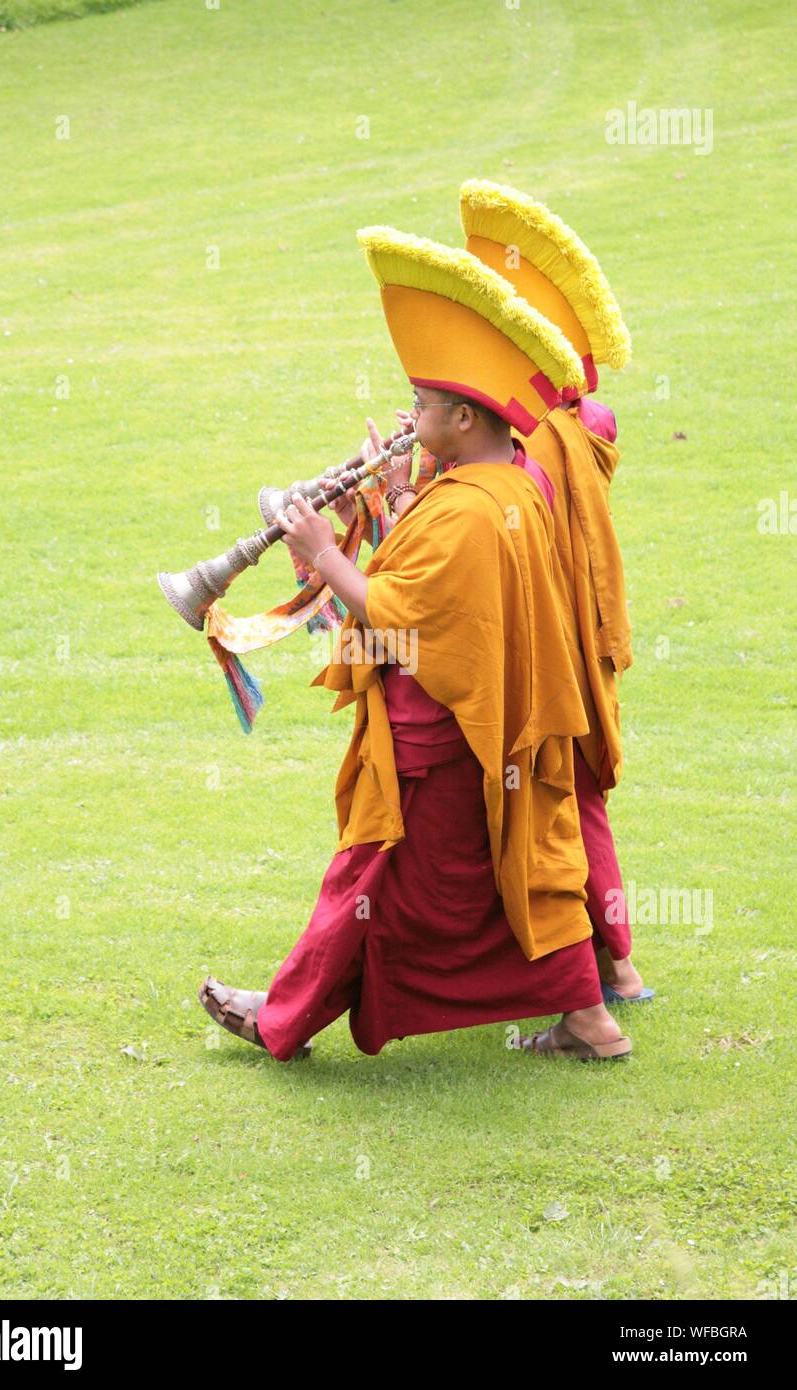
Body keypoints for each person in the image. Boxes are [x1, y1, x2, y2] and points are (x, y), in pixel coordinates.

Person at [199, 227, 633, 1062]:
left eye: (424, 408)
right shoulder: (489, 487)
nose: (411, 419)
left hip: (439, 735)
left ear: (465, 416)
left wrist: (325, 554)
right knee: (507, 874)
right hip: (474, 732)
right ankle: (590, 1020)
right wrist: (398, 498)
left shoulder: (475, 507)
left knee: (370, 881)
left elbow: (400, 616)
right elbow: (441, 587)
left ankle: (280, 1019)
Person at [458, 180, 651, 1004]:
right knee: (576, 797)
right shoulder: (584, 423)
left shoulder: (536, 442)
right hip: (580, 635)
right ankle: (600, 966)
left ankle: (609, 969)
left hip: (547, 646)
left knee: (567, 802)